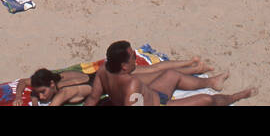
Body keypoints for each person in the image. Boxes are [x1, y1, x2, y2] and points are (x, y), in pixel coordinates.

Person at [85, 41, 254, 107]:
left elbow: (92, 100)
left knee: (171, 75)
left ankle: (211, 82)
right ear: (123, 66)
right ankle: (236, 97)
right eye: (133, 57)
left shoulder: (102, 71)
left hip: (154, 96)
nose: (136, 59)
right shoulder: (132, 84)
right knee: (206, 100)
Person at [28, 56, 214, 106]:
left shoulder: (64, 93)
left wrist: (35, 102)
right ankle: (193, 64)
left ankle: (196, 68)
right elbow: (23, 83)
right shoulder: (59, 76)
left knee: (156, 75)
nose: (41, 96)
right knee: (153, 70)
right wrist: (32, 95)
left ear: (51, 85)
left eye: (42, 92)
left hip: (109, 83)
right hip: (101, 75)